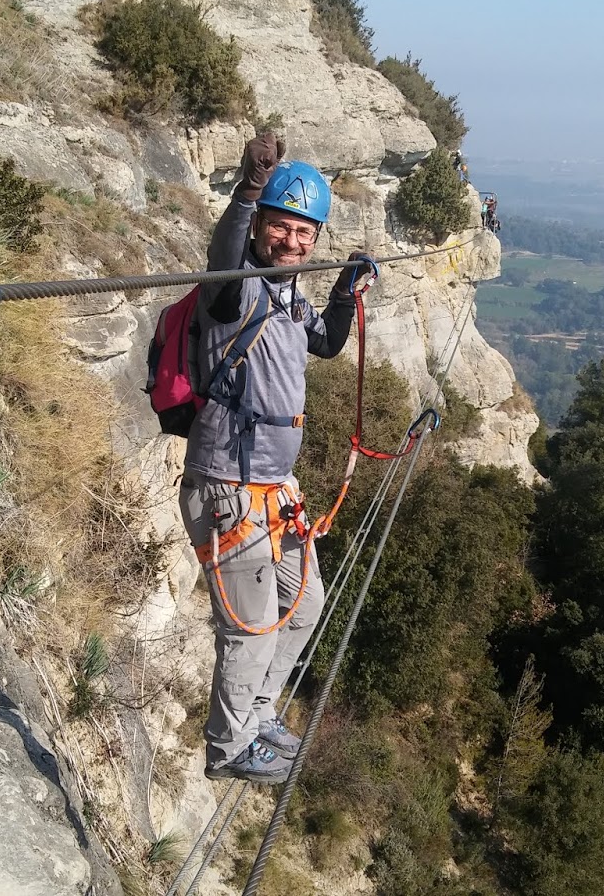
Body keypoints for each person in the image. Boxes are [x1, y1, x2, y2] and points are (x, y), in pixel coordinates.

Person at [180, 133, 376, 784]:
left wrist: (345, 289)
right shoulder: (232, 291)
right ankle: (228, 748)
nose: (292, 242)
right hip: (228, 483)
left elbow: (328, 344)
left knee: (304, 606)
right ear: (260, 226)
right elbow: (224, 257)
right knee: (252, 629)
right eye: (280, 227)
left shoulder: (292, 297)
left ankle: (259, 716)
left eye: (304, 233)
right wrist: (248, 190)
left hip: (272, 485)